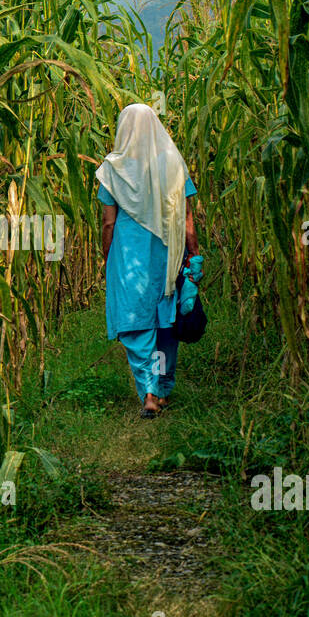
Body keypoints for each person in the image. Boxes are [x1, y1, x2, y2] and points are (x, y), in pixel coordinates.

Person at [96, 103, 199, 418]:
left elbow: (108, 223)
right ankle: (163, 388)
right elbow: (187, 220)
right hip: (166, 253)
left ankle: (150, 392)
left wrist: (107, 257)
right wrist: (193, 253)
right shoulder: (173, 164)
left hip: (128, 254)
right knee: (164, 322)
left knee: (137, 323)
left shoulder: (113, 168)